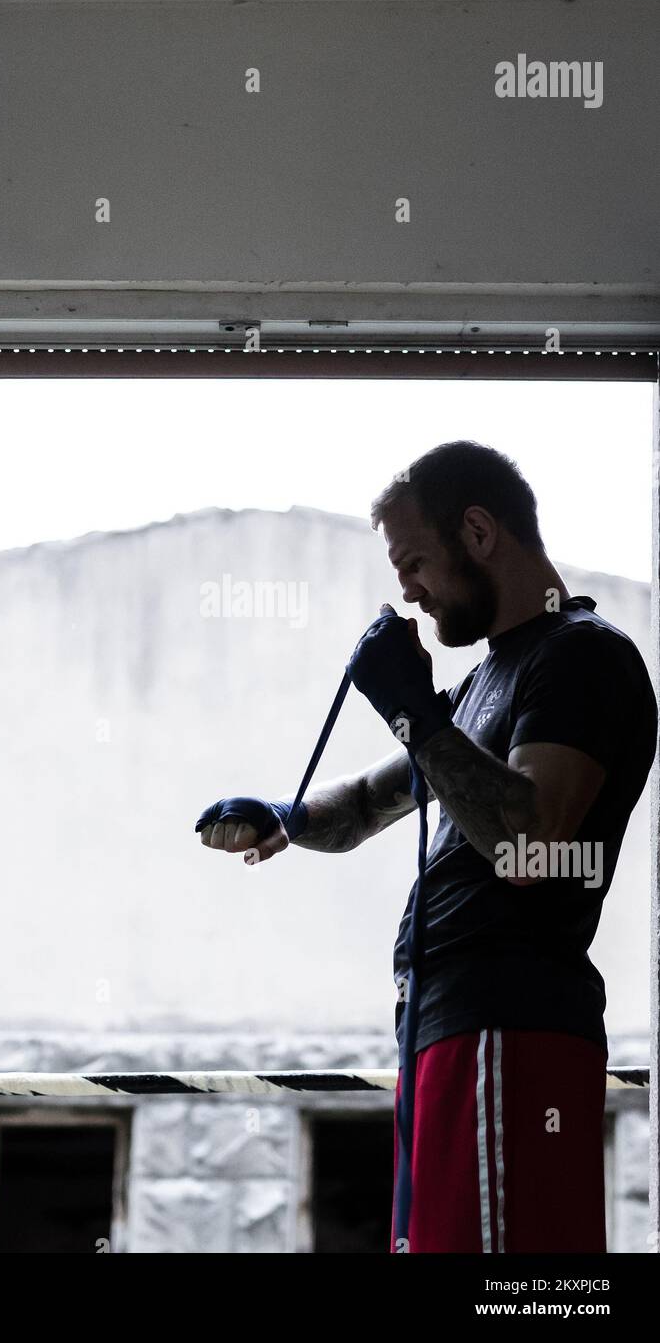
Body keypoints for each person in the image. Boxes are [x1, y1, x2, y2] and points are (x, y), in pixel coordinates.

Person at [195, 441, 658, 1253]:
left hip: (509, 1030)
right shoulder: (482, 684)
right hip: (446, 1031)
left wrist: (415, 709)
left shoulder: (581, 657)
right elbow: (372, 800)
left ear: (478, 532)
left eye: (414, 563)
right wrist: (286, 814)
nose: (406, 590)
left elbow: (527, 839)